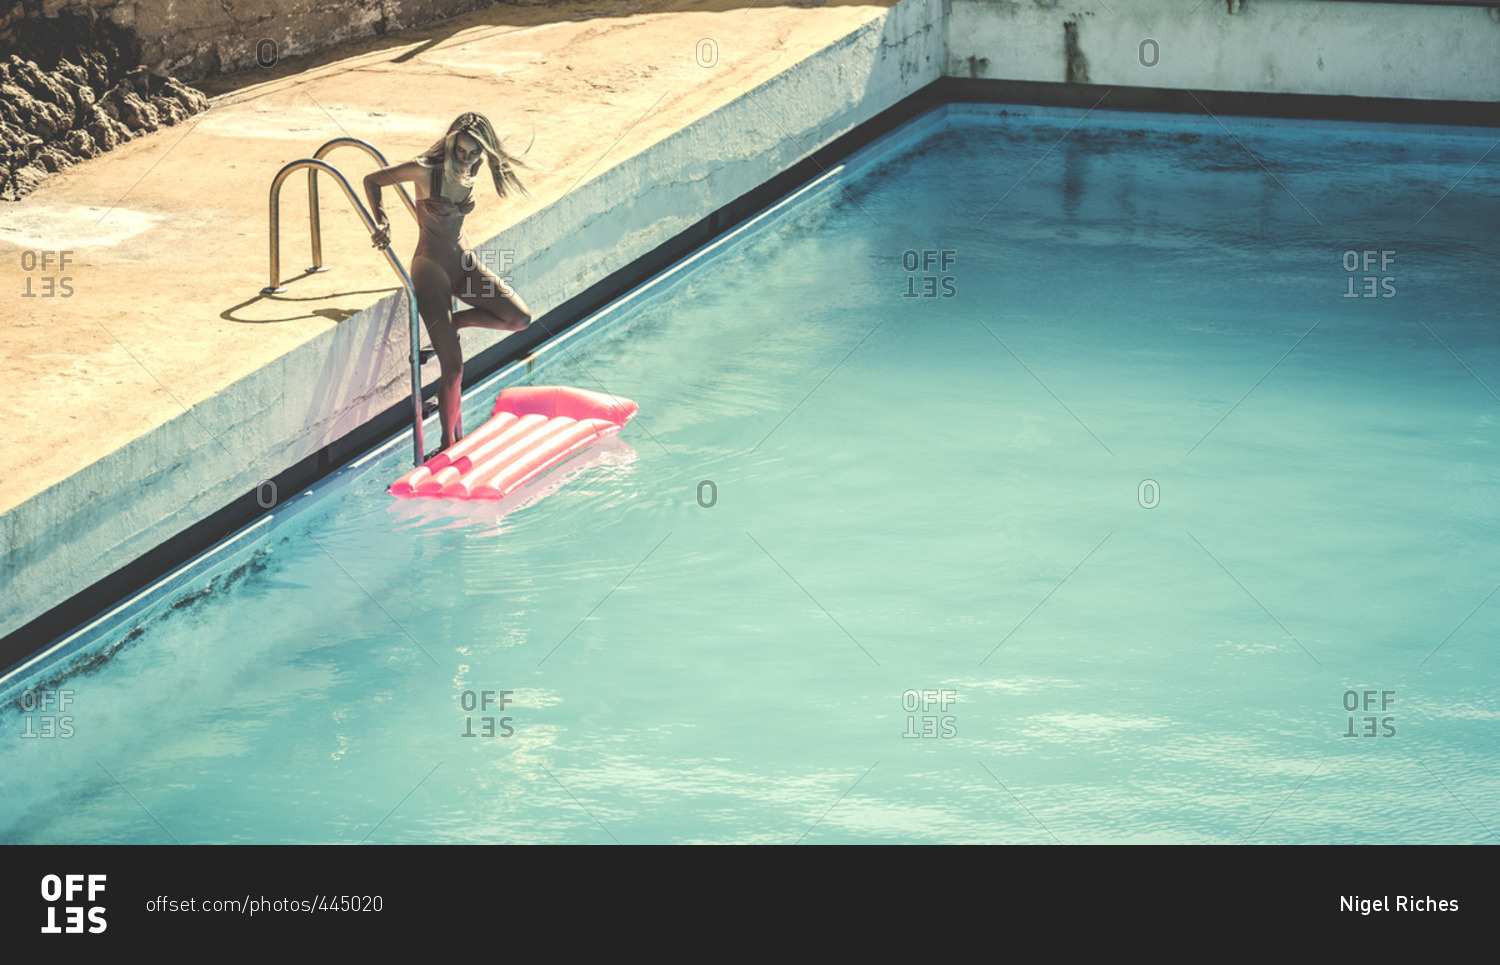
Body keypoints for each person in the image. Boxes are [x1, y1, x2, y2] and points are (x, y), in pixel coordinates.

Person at [364, 113, 540, 453]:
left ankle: (452, 323)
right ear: (450, 144)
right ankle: (447, 443)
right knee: (454, 369)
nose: (466, 159)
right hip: (431, 271)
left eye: (474, 153)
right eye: (460, 151)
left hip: (464, 266)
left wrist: (455, 321)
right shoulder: (425, 169)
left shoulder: (474, 166)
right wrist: (382, 221)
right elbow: (372, 179)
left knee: (520, 318)